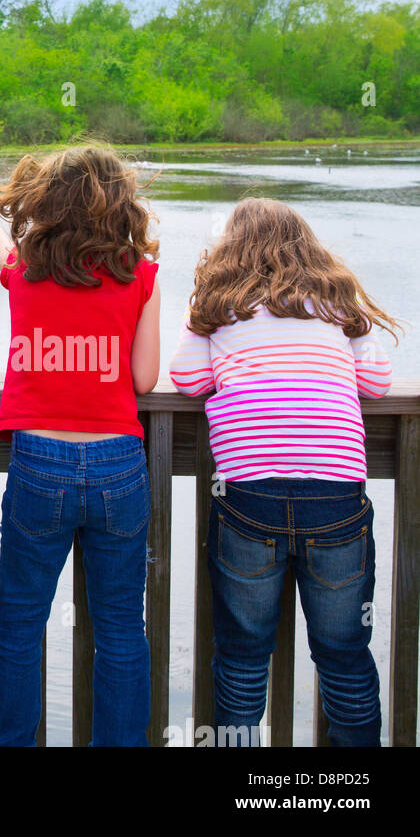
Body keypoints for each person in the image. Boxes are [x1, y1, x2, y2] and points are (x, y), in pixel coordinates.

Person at [170, 197, 400, 747]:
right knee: (343, 652)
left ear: (231, 246)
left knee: (244, 656)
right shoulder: (336, 301)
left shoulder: (218, 303)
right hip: (337, 500)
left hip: (249, 498)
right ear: (307, 244)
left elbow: (186, 379)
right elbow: (378, 383)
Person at [0, 145, 160, 746]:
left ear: (45, 205)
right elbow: (145, 380)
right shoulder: (139, 274)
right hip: (118, 465)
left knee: (20, 621)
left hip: (40, 462)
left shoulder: (25, 271)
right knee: (122, 628)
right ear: (120, 206)